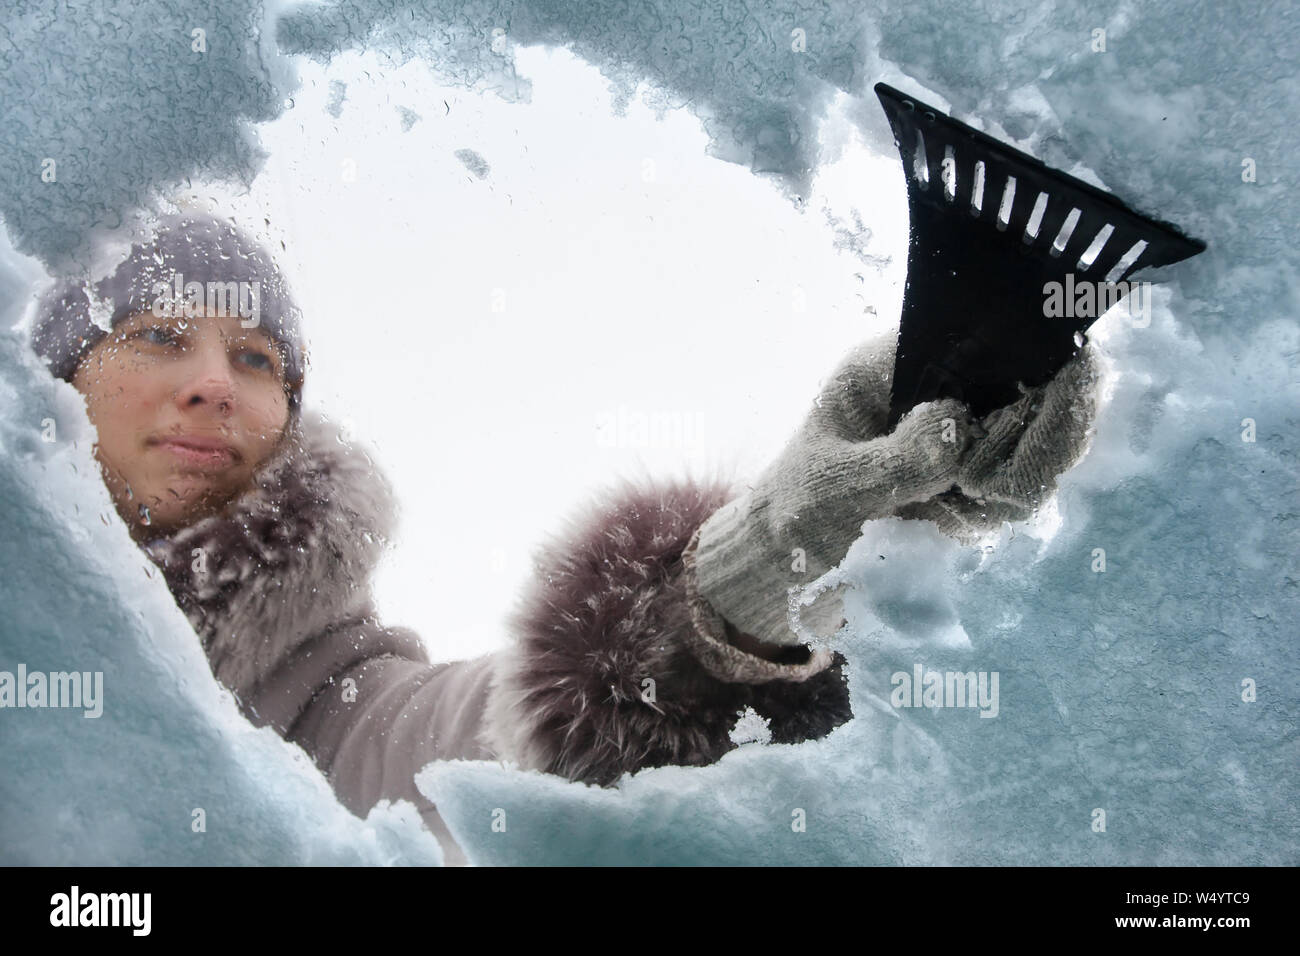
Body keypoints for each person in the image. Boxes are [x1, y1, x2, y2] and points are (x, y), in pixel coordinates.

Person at [30, 214, 1098, 865]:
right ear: (50, 384)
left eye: (258, 358)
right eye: (161, 336)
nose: (215, 381)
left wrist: (754, 569)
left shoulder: (326, 708)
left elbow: (479, 733)